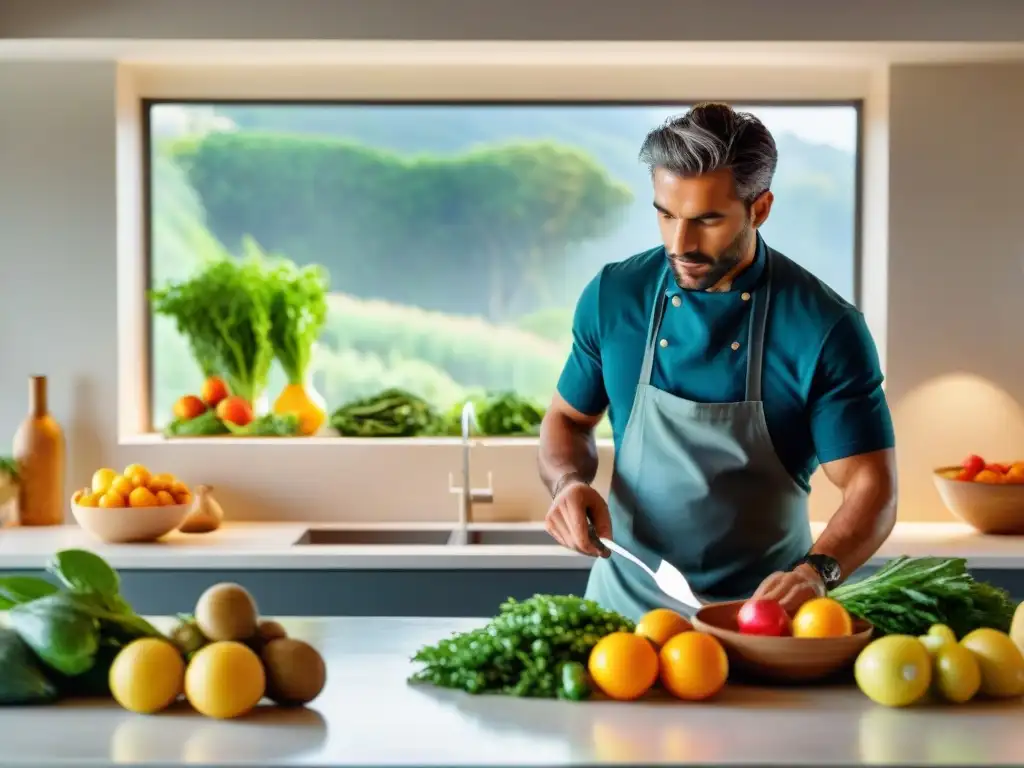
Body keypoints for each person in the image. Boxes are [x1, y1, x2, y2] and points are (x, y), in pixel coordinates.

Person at [537, 102, 897, 621]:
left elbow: (872, 487)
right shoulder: (614, 297)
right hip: (617, 625)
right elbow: (568, 421)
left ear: (760, 208)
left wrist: (816, 573)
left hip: (758, 624)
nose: (680, 244)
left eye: (706, 220)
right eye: (666, 214)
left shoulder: (824, 328)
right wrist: (568, 482)